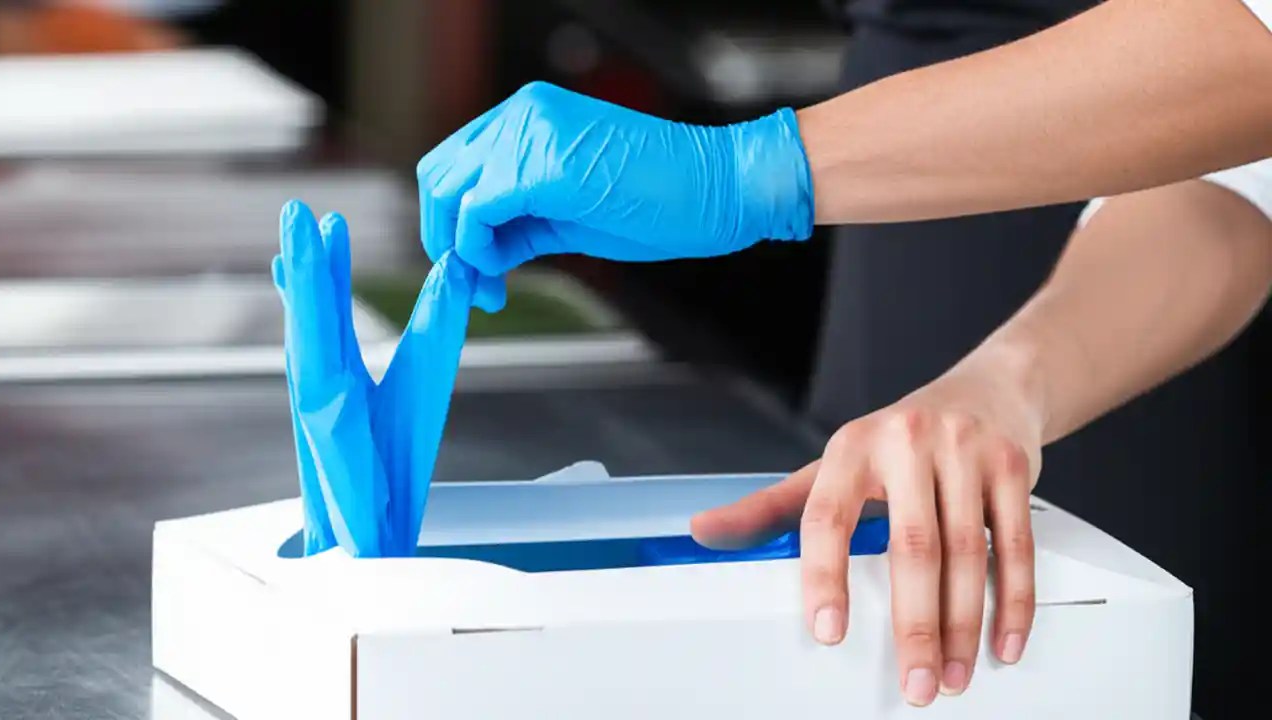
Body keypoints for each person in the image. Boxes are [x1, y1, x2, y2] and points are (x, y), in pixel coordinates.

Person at [415, 0, 1272, 708]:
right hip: (933, 225)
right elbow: (1240, 184)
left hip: (1141, 349)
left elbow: (1250, 83)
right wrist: (1000, 383)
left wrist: (746, 171)